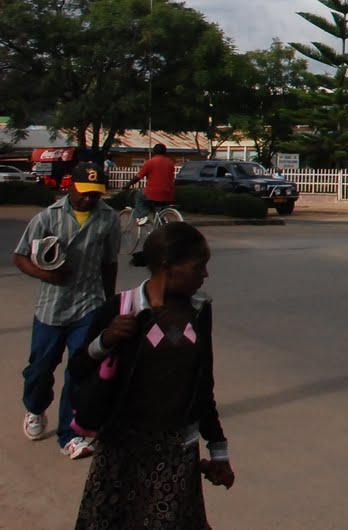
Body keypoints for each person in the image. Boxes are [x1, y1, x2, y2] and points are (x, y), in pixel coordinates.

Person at [70, 222, 233, 528]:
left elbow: (203, 386)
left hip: (175, 449)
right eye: (199, 266)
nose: (205, 275)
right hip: (122, 446)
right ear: (168, 266)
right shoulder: (121, 308)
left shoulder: (199, 312)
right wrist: (105, 340)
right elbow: (78, 367)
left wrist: (219, 451)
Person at [13, 163, 119, 459]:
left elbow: (109, 263)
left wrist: (109, 305)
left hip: (89, 305)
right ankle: (35, 408)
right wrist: (46, 274)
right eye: (84, 194)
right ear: (70, 187)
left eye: (95, 195)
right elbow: (20, 257)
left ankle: (70, 435)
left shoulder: (108, 219)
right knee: (40, 369)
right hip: (51, 307)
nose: (89, 200)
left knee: (80, 370)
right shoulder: (47, 217)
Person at [131, 143, 177, 221]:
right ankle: (160, 222)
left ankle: (142, 217)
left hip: (151, 192)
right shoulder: (170, 163)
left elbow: (138, 177)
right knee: (158, 210)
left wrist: (128, 184)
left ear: (153, 151)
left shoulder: (150, 162)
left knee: (138, 195)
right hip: (168, 194)